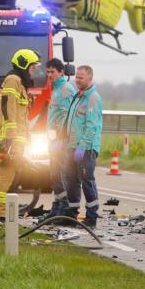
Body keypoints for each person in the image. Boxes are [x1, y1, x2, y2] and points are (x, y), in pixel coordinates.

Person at [0, 48, 40, 220]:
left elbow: (21, 115)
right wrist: (10, 138)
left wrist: (27, 137)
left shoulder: (20, 83)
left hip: (17, 140)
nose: (34, 71)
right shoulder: (13, 80)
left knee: (12, 175)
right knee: (6, 174)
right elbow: (7, 109)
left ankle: (2, 209)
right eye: (32, 67)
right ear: (24, 65)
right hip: (10, 139)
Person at [63, 65, 103, 227]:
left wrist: (82, 147)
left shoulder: (92, 98)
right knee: (71, 180)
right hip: (72, 146)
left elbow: (92, 126)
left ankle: (92, 217)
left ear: (90, 78)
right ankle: (72, 215)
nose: (77, 80)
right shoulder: (78, 96)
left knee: (87, 181)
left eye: (81, 77)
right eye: (76, 77)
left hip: (85, 149)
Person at [44, 58, 77, 217]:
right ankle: (57, 207)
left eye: (52, 72)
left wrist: (59, 135)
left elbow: (67, 115)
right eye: (48, 72)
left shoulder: (65, 89)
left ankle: (64, 209)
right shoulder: (56, 89)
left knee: (61, 175)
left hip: (62, 140)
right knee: (54, 175)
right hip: (54, 139)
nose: (49, 75)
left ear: (61, 72)